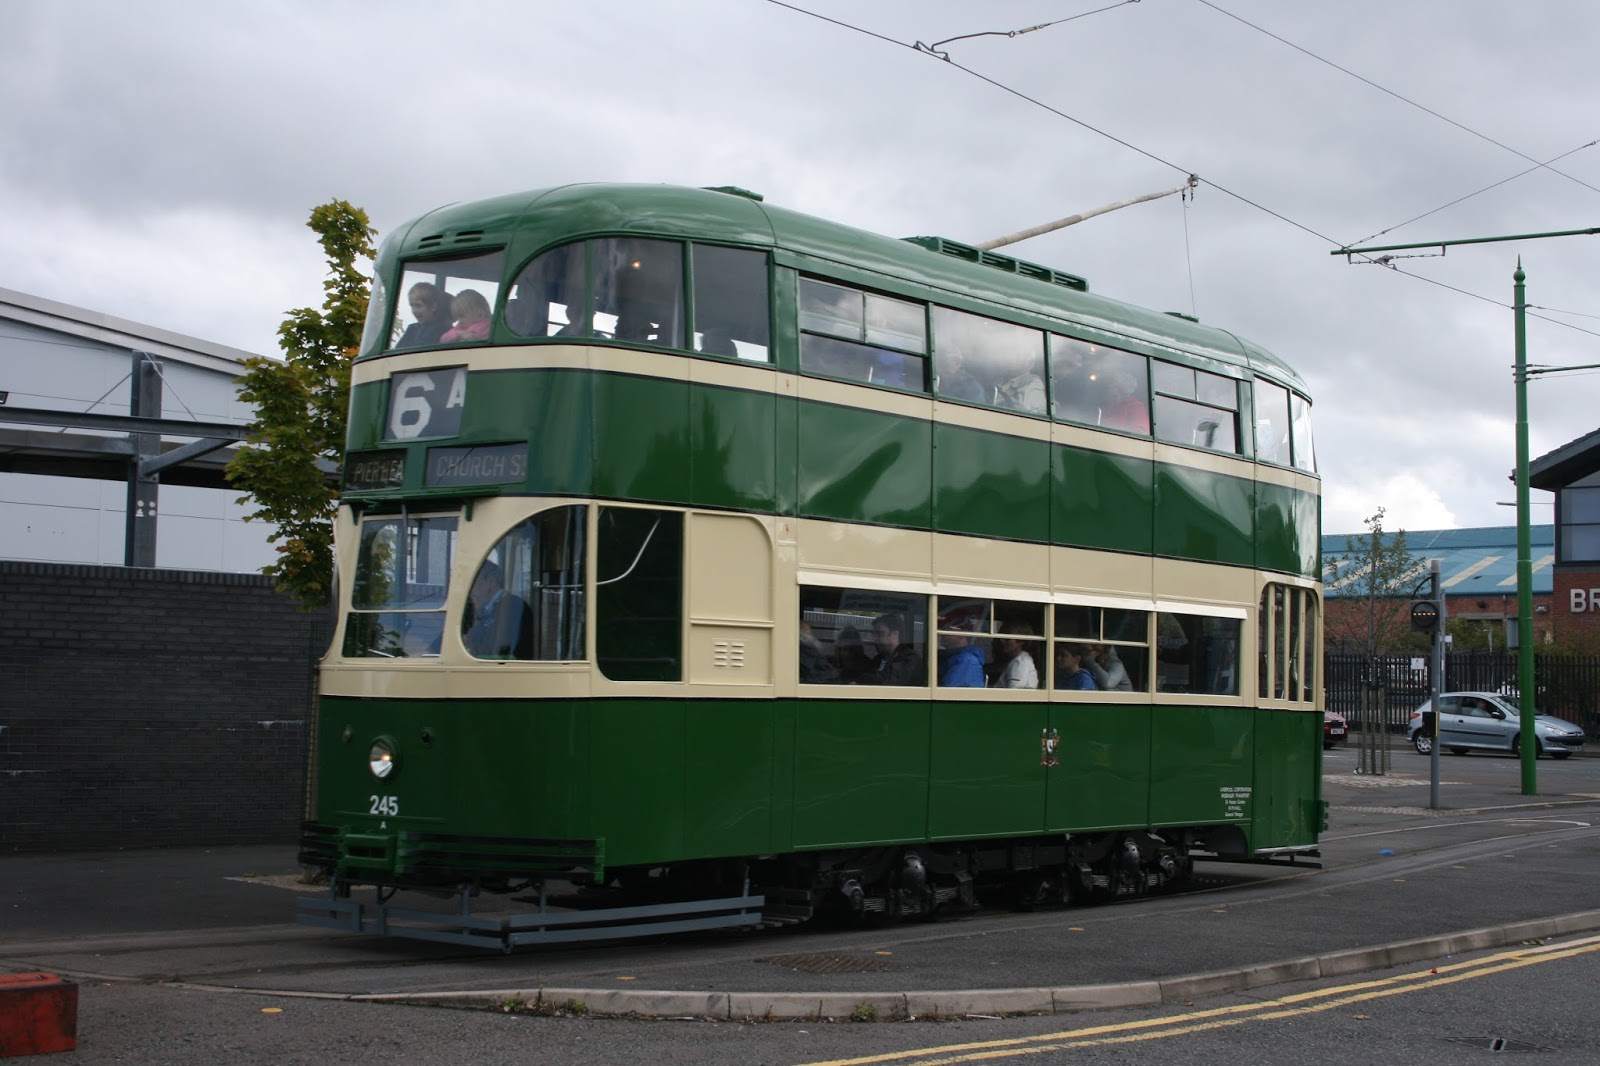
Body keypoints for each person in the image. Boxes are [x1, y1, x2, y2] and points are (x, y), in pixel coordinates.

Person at [462, 561, 530, 659]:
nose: (470, 592)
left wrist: (467, 637)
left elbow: (494, 650)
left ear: (491, 582)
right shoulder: (481, 608)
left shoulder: (512, 607)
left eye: (473, 585)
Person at [865, 613, 923, 686]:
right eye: (874, 634)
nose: (874, 639)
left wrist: (862, 680)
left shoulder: (909, 659)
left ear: (895, 634)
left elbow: (890, 681)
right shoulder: (878, 659)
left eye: (880, 634)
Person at [396, 282, 454, 348]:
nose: (414, 311)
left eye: (419, 306)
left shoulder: (443, 330)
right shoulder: (412, 329)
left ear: (433, 307)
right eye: (412, 305)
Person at [937, 619, 986, 687]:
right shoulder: (949, 657)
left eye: (947, 628)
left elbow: (952, 693)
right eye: (941, 628)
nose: (941, 632)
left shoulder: (967, 661)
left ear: (962, 633)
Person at [995, 624, 1040, 689]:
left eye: (1007, 639)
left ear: (1021, 642)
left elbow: (1014, 693)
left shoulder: (1019, 662)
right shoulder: (1018, 660)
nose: (1002, 641)